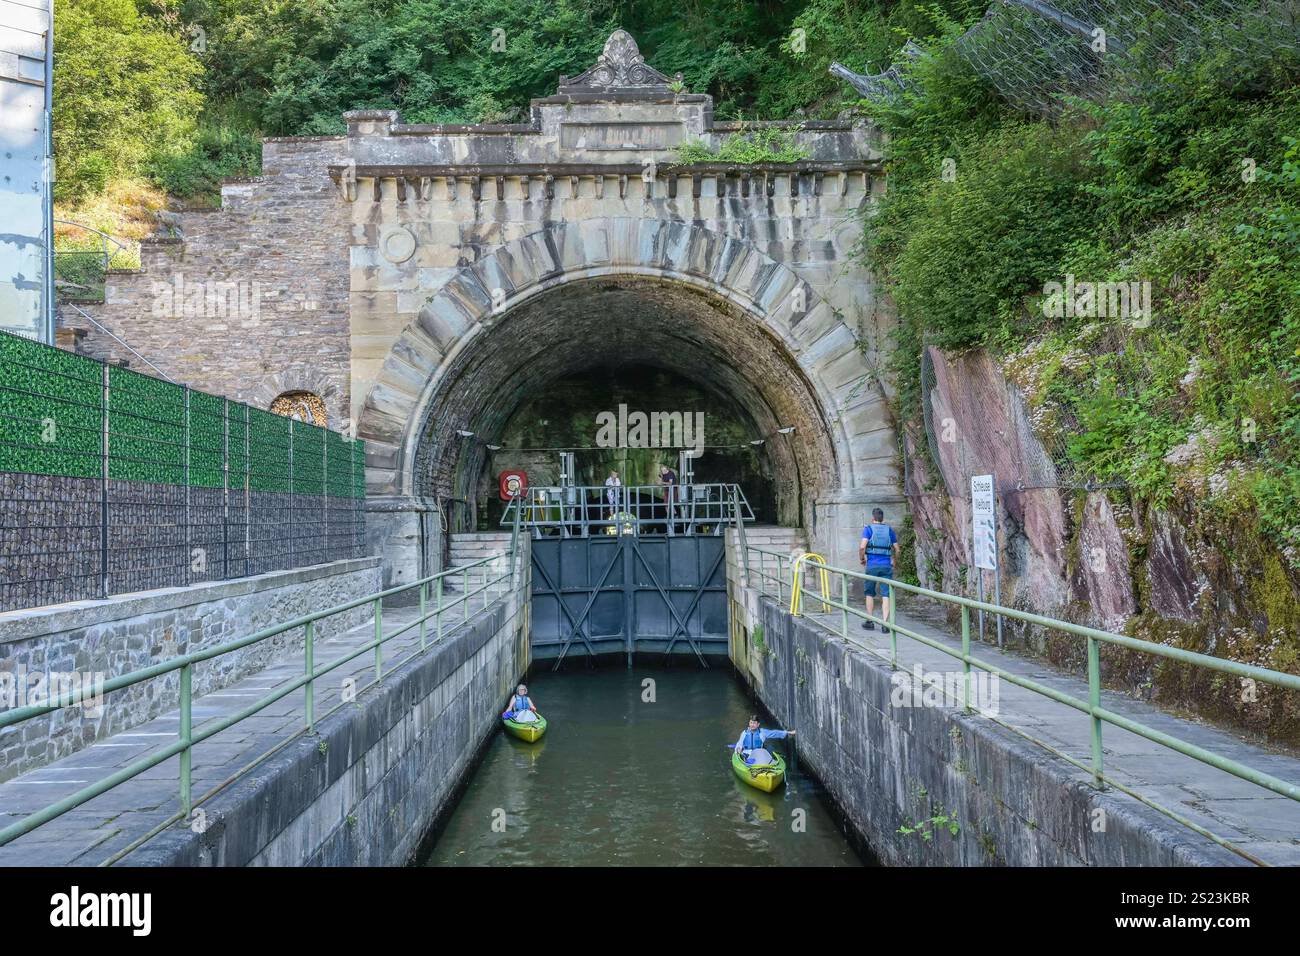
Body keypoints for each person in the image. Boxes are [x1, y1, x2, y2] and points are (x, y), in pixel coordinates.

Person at [858, 507, 899, 633]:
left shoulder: (868, 529)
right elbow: (897, 549)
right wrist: (894, 560)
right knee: (886, 594)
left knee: (869, 593)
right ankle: (885, 624)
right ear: (882, 518)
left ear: (873, 518)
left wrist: (862, 559)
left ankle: (870, 621)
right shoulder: (889, 530)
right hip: (886, 565)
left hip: (872, 565)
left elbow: (862, 547)